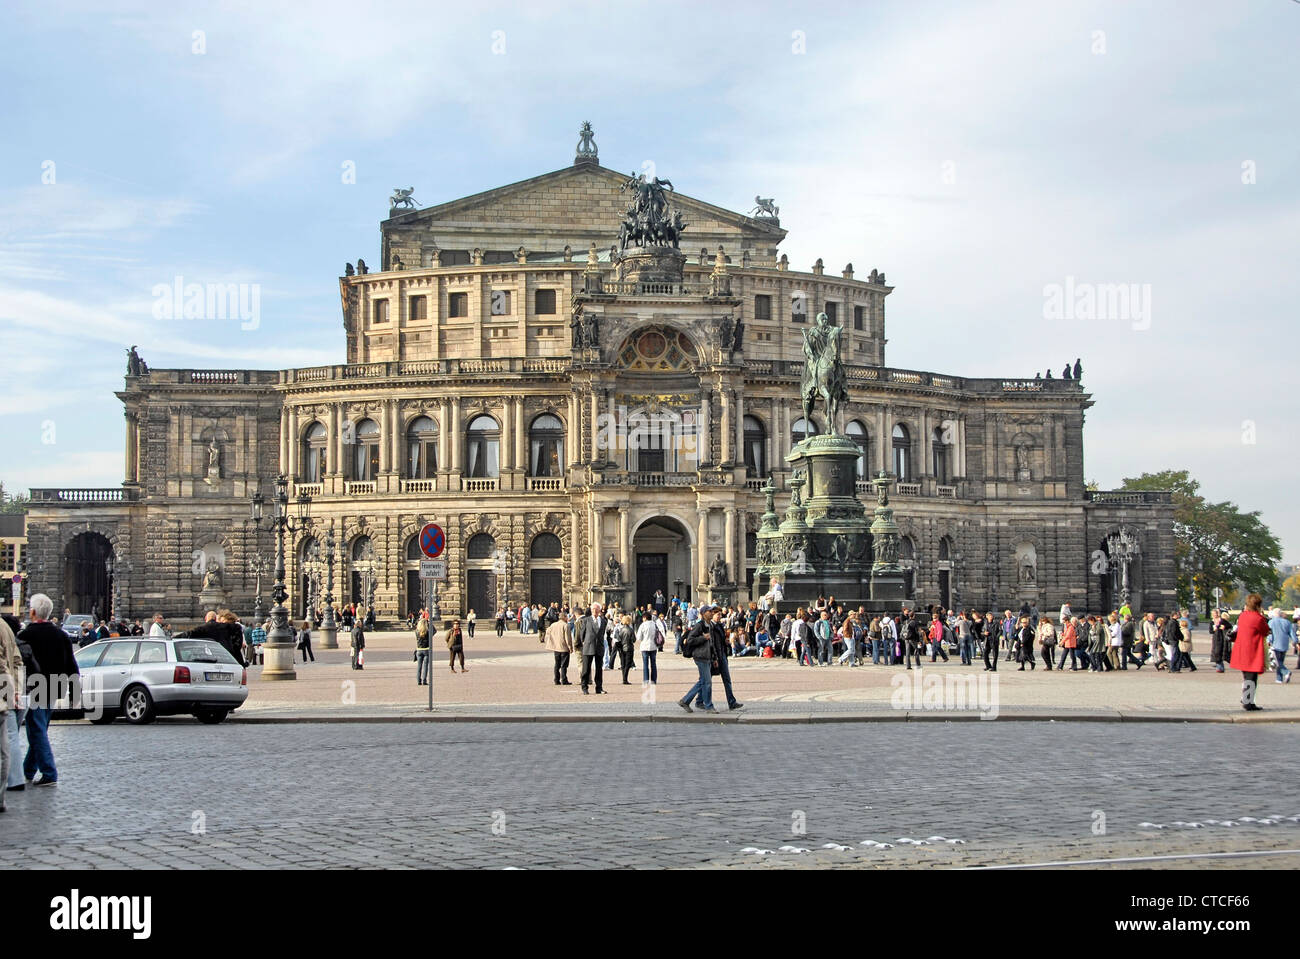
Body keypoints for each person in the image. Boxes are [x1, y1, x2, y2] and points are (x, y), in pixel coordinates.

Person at [18, 594, 78, 787]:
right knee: (40, 728)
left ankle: (49, 772)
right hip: (55, 686)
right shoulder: (61, 635)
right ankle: (27, 770)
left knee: (36, 730)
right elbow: (71, 664)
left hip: (34, 687)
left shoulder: (26, 635)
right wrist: (74, 692)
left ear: (33, 612)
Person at [1231, 594, 1270, 711]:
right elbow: (1265, 631)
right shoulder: (1258, 618)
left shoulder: (1243, 616)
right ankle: (1248, 702)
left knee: (1247, 677)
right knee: (1251, 678)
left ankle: (1247, 699)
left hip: (1242, 650)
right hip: (1252, 652)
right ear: (1258, 605)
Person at [678, 606, 717, 713]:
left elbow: (711, 644)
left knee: (703, 681)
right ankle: (709, 706)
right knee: (707, 682)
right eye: (709, 611)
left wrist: (714, 657)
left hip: (708, 656)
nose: (712, 613)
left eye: (712, 611)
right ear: (704, 613)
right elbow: (690, 639)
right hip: (700, 656)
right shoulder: (699, 625)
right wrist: (703, 638)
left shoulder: (710, 625)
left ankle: (686, 701)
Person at [0, 615, 21, 811]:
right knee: (4, 751)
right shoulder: (5, 626)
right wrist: (14, 691)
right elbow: (16, 660)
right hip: (5, 698)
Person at [577, 603, 608, 695]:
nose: (595, 611)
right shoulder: (586, 620)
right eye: (593, 609)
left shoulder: (603, 621)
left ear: (600, 610)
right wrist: (584, 642)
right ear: (591, 610)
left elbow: (602, 633)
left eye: (596, 609)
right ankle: (584, 687)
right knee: (586, 669)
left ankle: (599, 688)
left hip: (599, 647)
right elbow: (582, 634)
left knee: (599, 669)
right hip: (588, 646)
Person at [542, 611, 573, 685]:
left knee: (557, 664)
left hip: (556, 647)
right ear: (564, 617)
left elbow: (548, 632)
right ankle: (564, 680)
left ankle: (556, 679)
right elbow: (568, 638)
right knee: (564, 665)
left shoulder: (553, 625)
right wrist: (570, 647)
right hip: (564, 648)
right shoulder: (566, 626)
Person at [1267, 607, 1295, 684]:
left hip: (1275, 644)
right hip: (1285, 644)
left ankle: (1286, 672)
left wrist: (1268, 641)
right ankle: (1279, 678)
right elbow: (1292, 633)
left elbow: (1270, 633)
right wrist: (1295, 641)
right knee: (1280, 661)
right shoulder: (1287, 622)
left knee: (1278, 662)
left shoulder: (1271, 622)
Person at [613, 614, 636, 684]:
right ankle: (625, 679)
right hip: (629, 648)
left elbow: (618, 638)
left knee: (623, 663)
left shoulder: (621, 629)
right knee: (628, 664)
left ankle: (624, 678)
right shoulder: (631, 630)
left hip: (622, 648)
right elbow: (634, 639)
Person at [1209, 609, 1231, 673]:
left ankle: (1221, 667)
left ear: (1217, 614)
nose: (1214, 615)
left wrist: (1224, 627)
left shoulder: (1222, 620)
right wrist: (1214, 630)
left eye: (1215, 613)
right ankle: (1220, 667)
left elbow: (1229, 626)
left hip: (1222, 637)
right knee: (1216, 652)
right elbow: (1210, 631)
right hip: (1216, 638)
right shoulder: (1212, 622)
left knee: (1221, 652)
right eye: (1213, 614)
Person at [415, 613, 432, 686]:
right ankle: (424, 680)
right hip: (426, 650)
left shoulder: (416, 632)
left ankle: (418, 680)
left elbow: (417, 628)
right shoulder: (428, 632)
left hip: (418, 650)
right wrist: (429, 623)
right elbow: (434, 631)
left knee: (419, 666)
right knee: (425, 666)